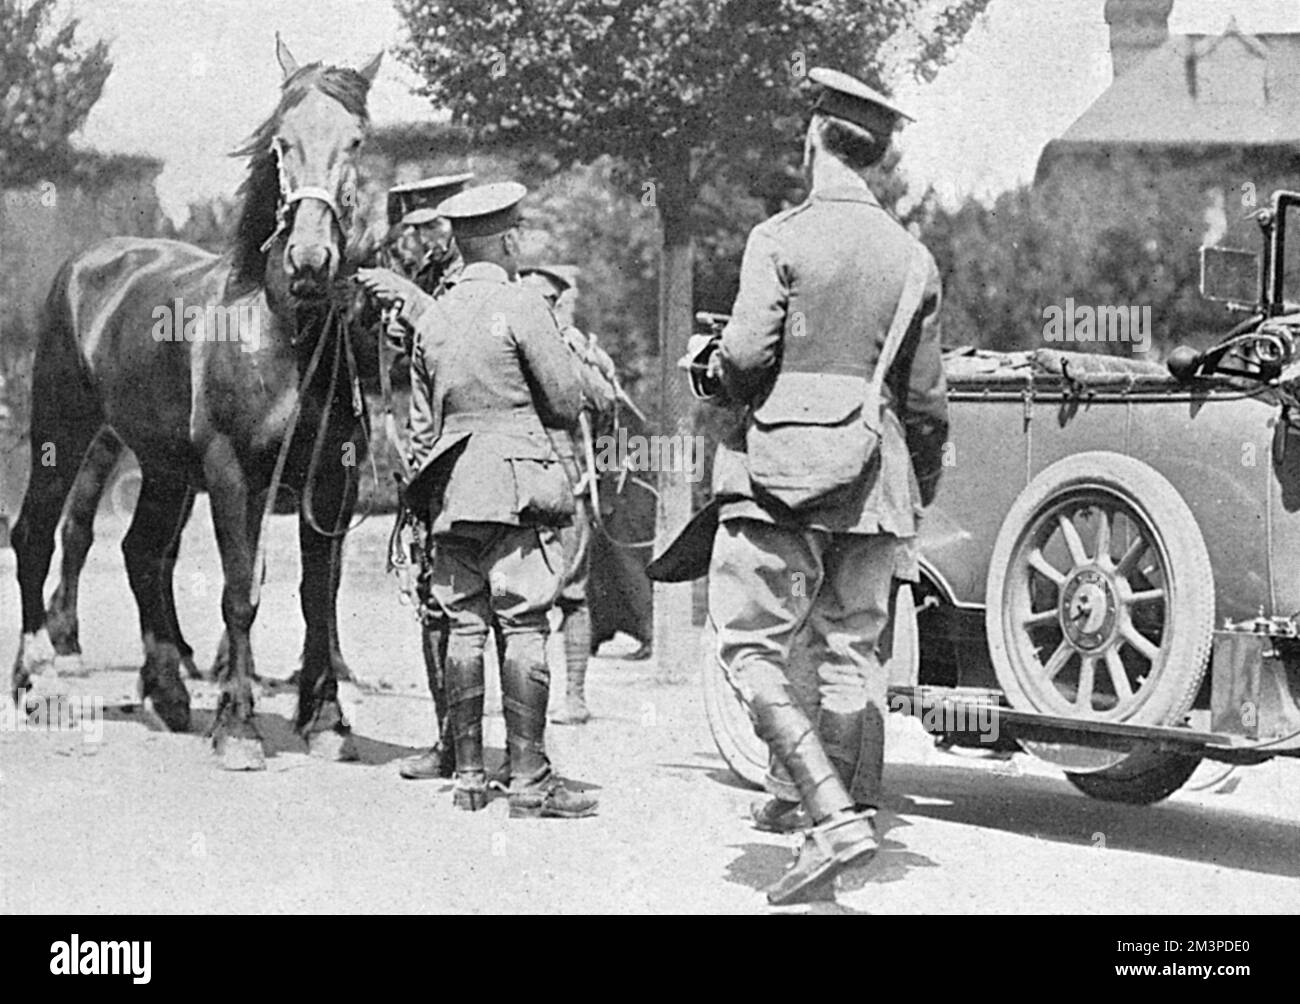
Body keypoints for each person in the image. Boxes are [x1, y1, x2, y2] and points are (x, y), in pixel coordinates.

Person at [693, 67, 948, 903]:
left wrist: (713, 372)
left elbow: (744, 360)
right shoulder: (913, 259)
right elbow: (926, 404)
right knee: (850, 659)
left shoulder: (780, 238)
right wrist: (916, 487)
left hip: (780, 474)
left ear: (813, 139)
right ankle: (831, 828)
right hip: (878, 482)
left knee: (749, 648)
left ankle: (832, 819)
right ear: (875, 155)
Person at [358, 182, 598, 819]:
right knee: (521, 623)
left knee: (463, 623)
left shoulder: (432, 316)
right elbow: (567, 400)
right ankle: (529, 780)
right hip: (516, 484)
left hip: (450, 488)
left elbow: (424, 417)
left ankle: (467, 777)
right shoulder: (521, 304)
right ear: (510, 238)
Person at [518, 266, 618, 724]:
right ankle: (524, 701)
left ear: (558, 304)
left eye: (544, 300)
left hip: (569, 483)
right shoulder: (514, 341)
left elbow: (604, 405)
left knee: (573, 594)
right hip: (520, 484)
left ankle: (574, 696)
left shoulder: (576, 348)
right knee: (520, 595)